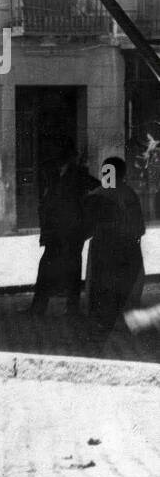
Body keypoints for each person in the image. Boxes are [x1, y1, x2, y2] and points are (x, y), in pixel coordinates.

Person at [28, 139, 96, 316]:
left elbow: (98, 189)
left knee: (72, 266)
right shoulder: (51, 173)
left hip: (72, 230)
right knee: (47, 267)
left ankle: (71, 307)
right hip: (54, 230)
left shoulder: (79, 174)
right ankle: (39, 307)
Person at [84, 156, 145, 333]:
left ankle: (101, 320)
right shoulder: (128, 194)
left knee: (101, 283)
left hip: (101, 247)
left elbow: (86, 226)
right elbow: (138, 226)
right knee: (125, 283)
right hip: (126, 246)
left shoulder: (96, 194)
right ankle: (122, 318)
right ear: (123, 173)